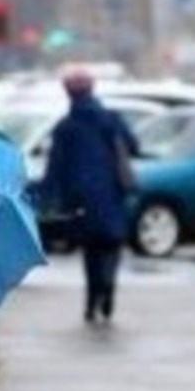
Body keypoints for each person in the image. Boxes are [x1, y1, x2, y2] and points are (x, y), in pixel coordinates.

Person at [38, 66, 139, 323]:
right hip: (112, 193)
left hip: (79, 198)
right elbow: (133, 145)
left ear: (68, 94)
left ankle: (92, 300)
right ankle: (108, 284)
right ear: (92, 90)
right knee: (112, 244)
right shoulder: (111, 119)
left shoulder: (65, 127)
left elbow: (55, 167)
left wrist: (48, 198)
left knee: (91, 249)